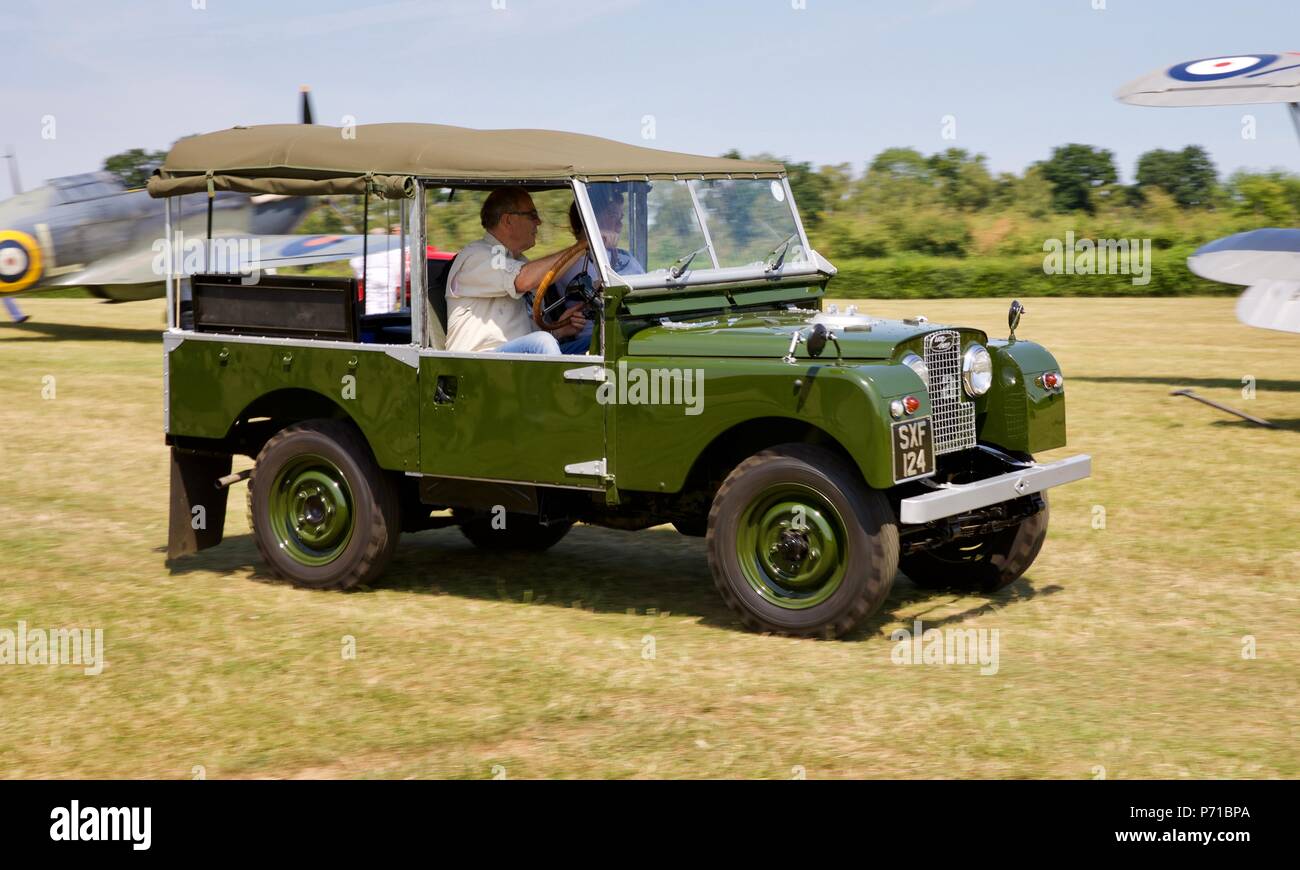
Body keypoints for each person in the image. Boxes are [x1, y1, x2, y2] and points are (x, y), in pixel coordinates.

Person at [443, 188, 587, 354]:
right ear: (508, 220)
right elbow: (523, 280)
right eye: (532, 215)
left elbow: (526, 336)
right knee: (542, 343)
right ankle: (554, 381)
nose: (539, 222)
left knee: (594, 346)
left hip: (516, 360)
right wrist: (581, 246)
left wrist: (559, 331)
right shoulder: (478, 256)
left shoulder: (518, 261)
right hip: (478, 363)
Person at [549, 188, 645, 354]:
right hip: (596, 339)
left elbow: (645, 287)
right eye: (613, 215)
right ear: (591, 219)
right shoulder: (574, 262)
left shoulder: (624, 256)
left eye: (621, 217)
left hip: (628, 328)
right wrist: (595, 240)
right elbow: (610, 291)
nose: (620, 224)